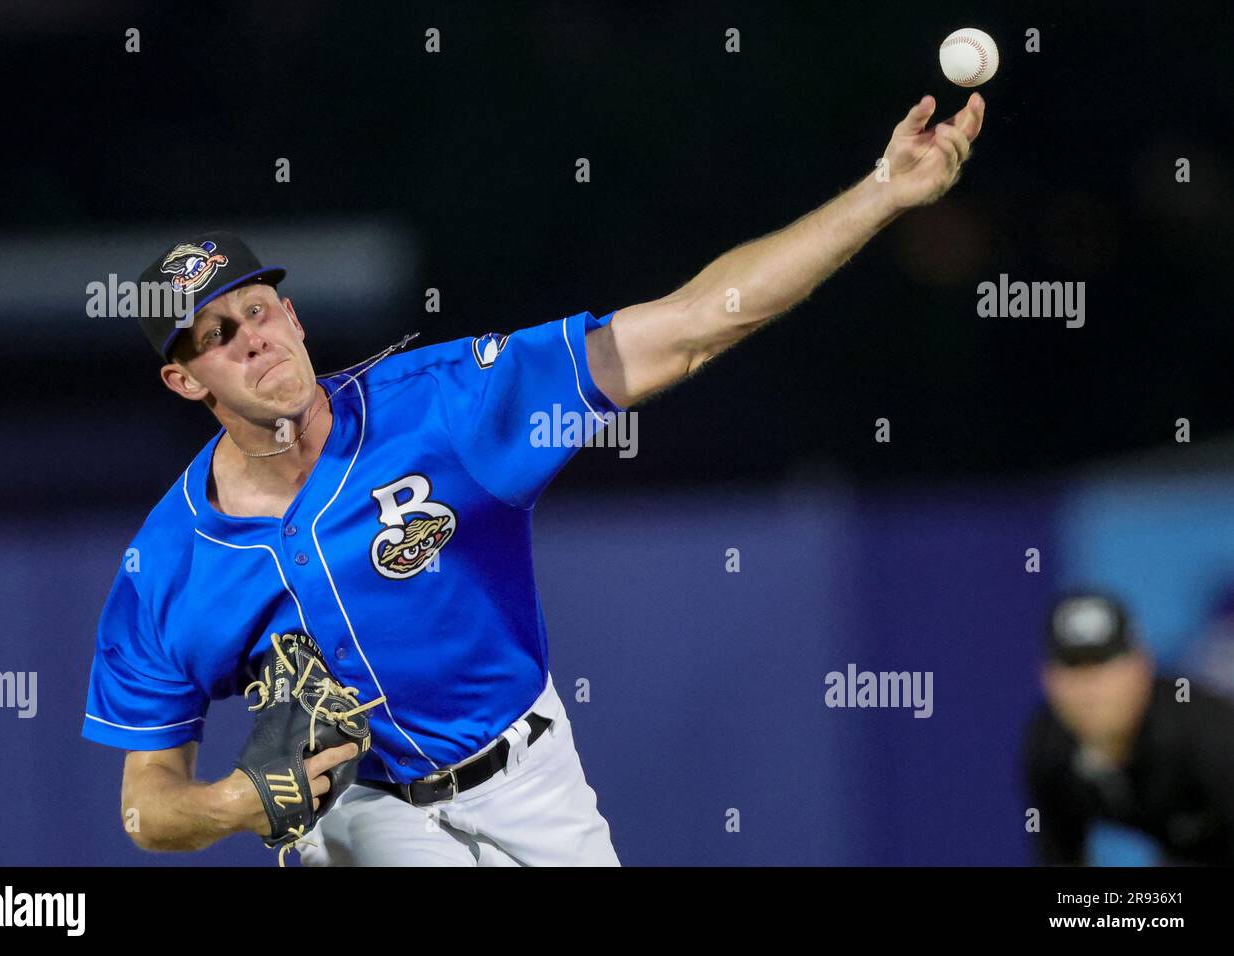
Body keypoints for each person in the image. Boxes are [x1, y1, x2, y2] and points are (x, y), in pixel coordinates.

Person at [81, 93, 986, 865]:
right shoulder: (166, 563)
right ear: (185, 379)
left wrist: (882, 192)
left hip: (531, 779)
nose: (253, 338)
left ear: (293, 314)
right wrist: (234, 804)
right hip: (366, 814)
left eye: (258, 309)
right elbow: (144, 801)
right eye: (216, 336)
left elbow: (693, 323)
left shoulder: (446, 409)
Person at [1023, 591, 1234, 865]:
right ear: (1047, 678)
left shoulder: (1211, 735)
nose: (1091, 688)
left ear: (1141, 666)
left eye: (1104, 662)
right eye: (1074, 666)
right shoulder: (1048, 749)